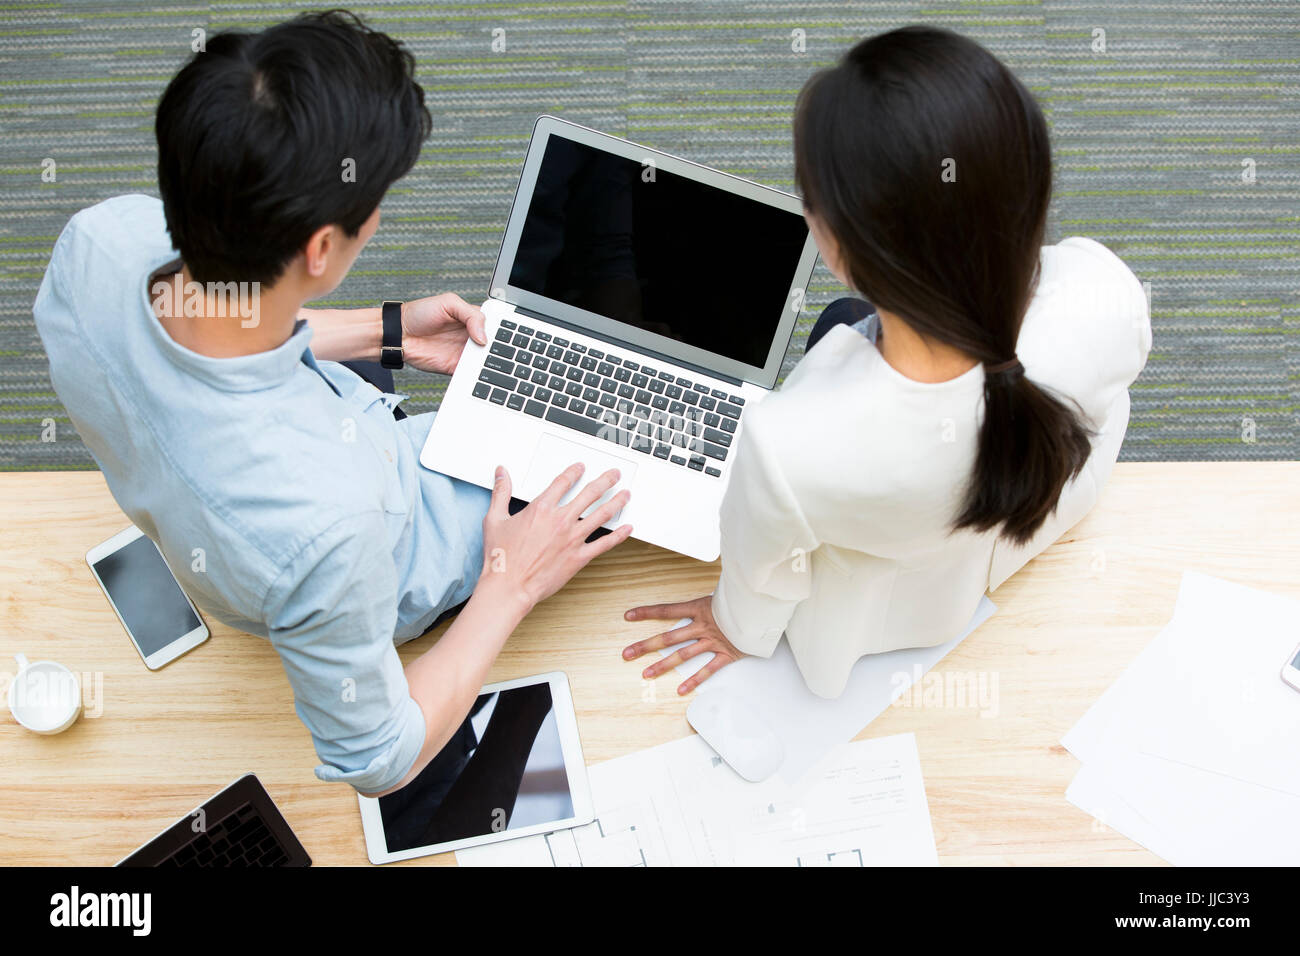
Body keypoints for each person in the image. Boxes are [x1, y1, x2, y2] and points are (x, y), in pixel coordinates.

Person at [33, 10, 631, 798]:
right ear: (321, 248)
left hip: (236, 546)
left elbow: (218, 317)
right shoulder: (328, 528)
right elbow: (379, 758)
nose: (378, 214)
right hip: (368, 551)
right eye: (375, 199)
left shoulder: (99, 244)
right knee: (607, 469)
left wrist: (387, 332)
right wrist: (510, 579)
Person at [623, 25, 1152, 699]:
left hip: (894, 612)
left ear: (839, 248)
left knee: (837, 325)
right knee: (845, 323)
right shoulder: (1107, 291)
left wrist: (736, 627)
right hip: (1033, 526)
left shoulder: (788, 445)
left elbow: (766, 572)